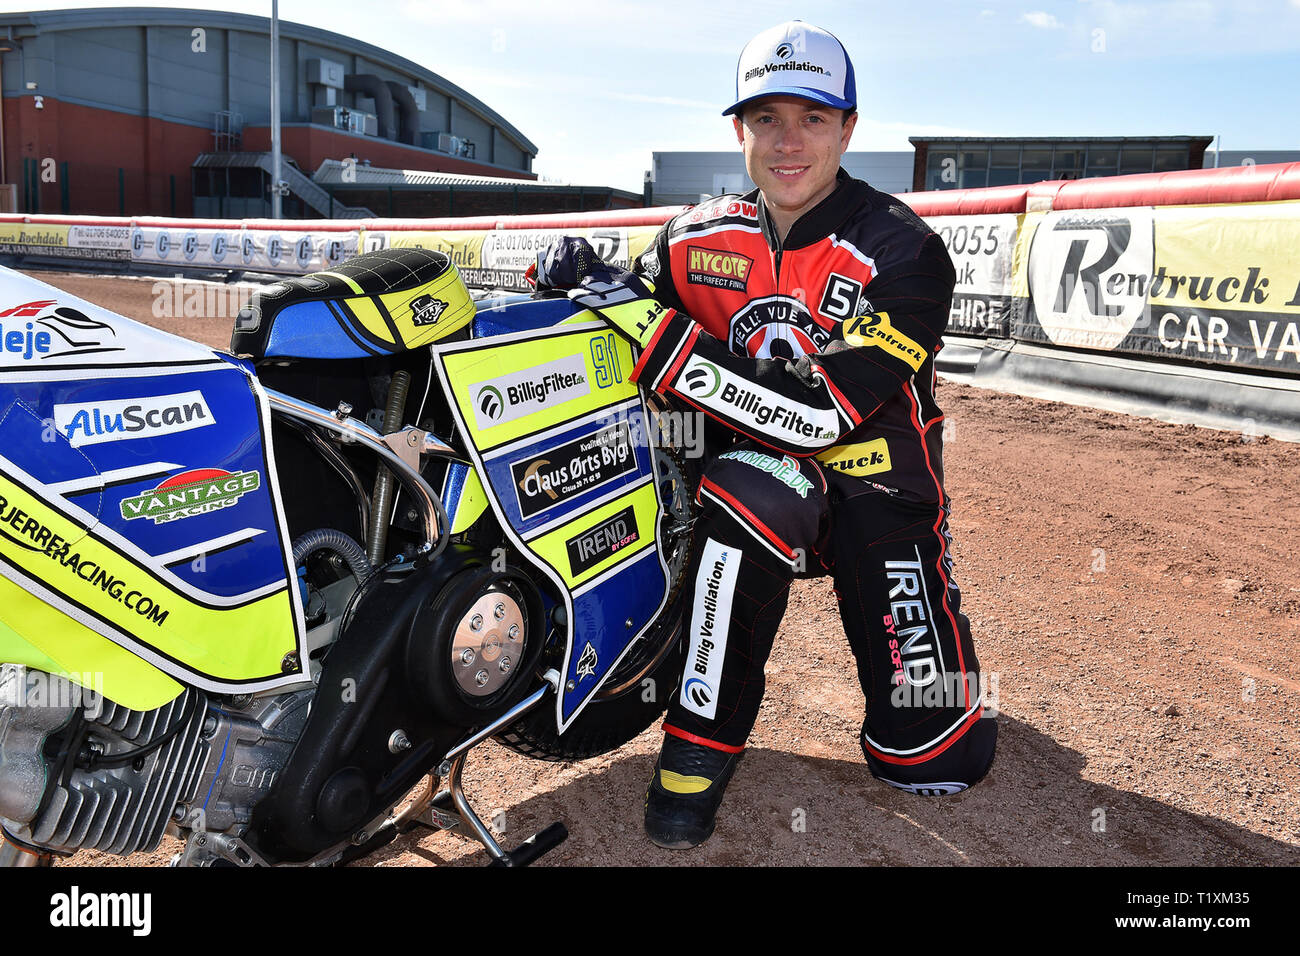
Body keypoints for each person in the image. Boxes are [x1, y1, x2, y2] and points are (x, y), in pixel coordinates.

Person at [534, 19, 996, 850]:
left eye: (812, 119)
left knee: (933, 756)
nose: (787, 143)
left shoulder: (906, 250)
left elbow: (819, 414)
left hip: (873, 479)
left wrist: (642, 319)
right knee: (749, 494)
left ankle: (932, 665)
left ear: (849, 128)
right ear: (737, 129)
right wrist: (573, 278)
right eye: (765, 119)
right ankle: (694, 754)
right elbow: (622, 316)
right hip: (747, 474)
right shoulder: (692, 235)